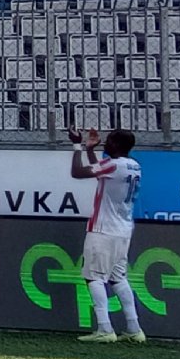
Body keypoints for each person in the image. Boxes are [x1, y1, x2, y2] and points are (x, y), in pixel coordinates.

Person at [69, 127, 145, 344]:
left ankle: (105, 328)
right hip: (123, 228)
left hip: (103, 228)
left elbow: (78, 172)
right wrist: (90, 149)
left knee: (94, 277)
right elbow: (100, 172)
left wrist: (77, 146)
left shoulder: (114, 165)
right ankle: (134, 328)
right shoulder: (134, 165)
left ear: (117, 145)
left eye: (110, 141)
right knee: (118, 277)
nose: (106, 144)